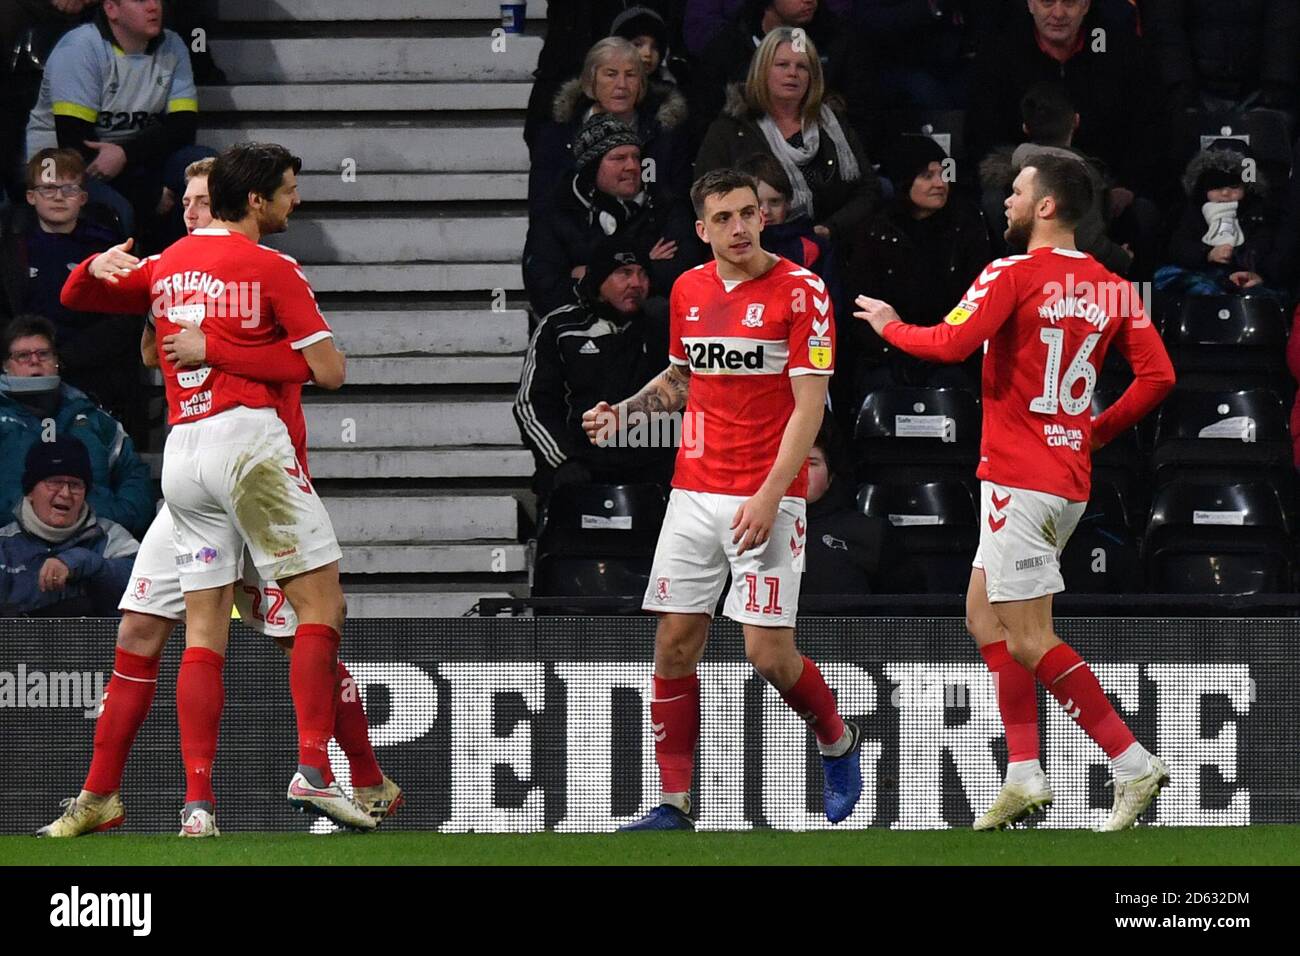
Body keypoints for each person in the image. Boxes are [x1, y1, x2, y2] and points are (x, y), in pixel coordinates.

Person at [38, 157, 400, 839]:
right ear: (255, 200)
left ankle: (352, 779)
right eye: (188, 203)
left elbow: (106, 316)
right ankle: (287, 779)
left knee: (236, 631)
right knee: (303, 616)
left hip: (196, 460)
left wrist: (100, 276)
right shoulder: (248, 271)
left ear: (222, 201)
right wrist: (101, 272)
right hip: (245, 459)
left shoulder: (180, 271)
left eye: (203, 201)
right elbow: (326, 372)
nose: (193, 213)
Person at [854, 154, 1177, 832]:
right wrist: (1094, 431)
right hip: (1064, 479)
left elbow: (950, 343)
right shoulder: (1114, 287)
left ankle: (1132, 764)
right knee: (984, 616)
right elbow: (1158, 377)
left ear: (1049, 206)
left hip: (1019, 481)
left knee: (1030, 638)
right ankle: (1024, 774)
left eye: (1019, 190)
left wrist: (888, 325)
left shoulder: (1012, 273)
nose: (1007, 199)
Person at [583, 168, 863, 830]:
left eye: (748, 213)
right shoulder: (688, 288)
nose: (739, 227)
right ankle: (673, 804)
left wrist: (771, 495)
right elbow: (684, 374)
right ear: (702, 229)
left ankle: (837, 739)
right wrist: (624, 412)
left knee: (767, 655)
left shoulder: (802, 291)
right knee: (674, 642)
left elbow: (810, 406)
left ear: (763, 218)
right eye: (724, 218)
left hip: (768, 494)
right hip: (694, 490)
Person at [24, 0, 214, 242]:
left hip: (130, 159)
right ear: (111, 9)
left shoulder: (173, 45)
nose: (153, 6)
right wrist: (149, 194)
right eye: (140, 0)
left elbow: (183, 129)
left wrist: (125, 154)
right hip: (64, 164)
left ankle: (189, 270)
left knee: (204, 168)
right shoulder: (79, 47)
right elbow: (75, 143)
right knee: (116, 210)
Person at [515, 235, 675, 500]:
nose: (636, 283)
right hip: (578, 469)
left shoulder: (662, 327)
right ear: (600, 280)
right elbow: (531, 405)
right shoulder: (559, 327)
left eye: (643, 273)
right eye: (624, 273)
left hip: (652, 477)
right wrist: (563, 461)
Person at [694, 27, 880, 244]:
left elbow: (869, 189)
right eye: (782, 65)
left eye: (802, 67)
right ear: (762, 70)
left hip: (834, 244)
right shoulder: (729, 129)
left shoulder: (833, 123)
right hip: (757, 250)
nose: (793, 73)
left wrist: (829, 230)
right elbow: (709, 201)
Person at [966, 0, 1159, 203]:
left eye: (1069, 3)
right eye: (1047, 2)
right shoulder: (999, 54)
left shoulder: (1123, 52)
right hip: (1020, 190)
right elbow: (983, 136)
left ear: (1085, 5)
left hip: (1107, 191)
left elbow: (1149, 130)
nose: (1058, 13)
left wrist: (1126, 186)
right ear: (1031, 4)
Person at [1, 148, 141, 421]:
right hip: (19, 371)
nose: (58, 197)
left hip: (89, 371)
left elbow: (124, 320)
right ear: (30, 196)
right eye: (48, 188)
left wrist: (64, 359)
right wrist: (28, 356)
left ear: (83, 197)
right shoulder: (8, 249)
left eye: (69, 188)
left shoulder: (109, 247)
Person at [850, 135, 988, 396]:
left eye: (943, 173)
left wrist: (937, 350)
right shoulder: (874, 232)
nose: (940, 183)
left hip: (949, 353)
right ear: (904, 181)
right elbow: (860, 309)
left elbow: (975, 304)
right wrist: (897, 352)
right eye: (927, 175)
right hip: (887, 354)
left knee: (954, 387)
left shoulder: (967, 226)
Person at [524, 112, 698, 318]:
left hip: (649, 332)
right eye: (619, 158)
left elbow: (683, 276)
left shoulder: (665, 206)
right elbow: (544, 288)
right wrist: (644, 263)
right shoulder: (558, 213)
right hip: (579, 334)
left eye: (636, 157)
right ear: (592, 167)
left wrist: (590, 274)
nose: (632, 166)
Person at [0, 315, 153, 537]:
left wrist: (111, 520)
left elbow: (133, 475)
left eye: (43, 354)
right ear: (6, 365)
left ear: (56, 361)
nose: (35, 361)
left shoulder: (95, 419)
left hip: (94, 545)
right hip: (9, 553)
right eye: (23, 355)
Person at [528, 36, 691, 217]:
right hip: (574, 241)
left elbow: (678, 210)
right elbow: (542, 211)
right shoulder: (556, 137)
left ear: (641, 83)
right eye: (611, 74)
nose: (621, 85)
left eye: (630, 75)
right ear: (591, 80)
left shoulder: (666, 137)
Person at [0, 434, 138, 616]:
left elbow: (146, 585)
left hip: (97, 644)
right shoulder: (4, 545)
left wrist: (85, 563)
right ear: (30, 491)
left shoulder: (111, 537)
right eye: (54, 482)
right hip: (17, 644)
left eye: (75, 485)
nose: (65, 493)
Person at [801, 418, 923, 599]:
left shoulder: (871, 534)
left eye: (811, 463)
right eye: (788, 463)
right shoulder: (747, 530)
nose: (798, 472)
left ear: (831, 476)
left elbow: (906, 613)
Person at [1158, 138, 1281, 296]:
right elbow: (1179, 246)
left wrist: (1243, 258)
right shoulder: (1194, 212)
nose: (1225, 193)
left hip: (1245, 277)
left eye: (1234, 186)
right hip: (1203, 273)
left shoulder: (1255, 214)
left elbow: (1265, 244)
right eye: (1216, 186)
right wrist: (1207, 254)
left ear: (1249, 186)